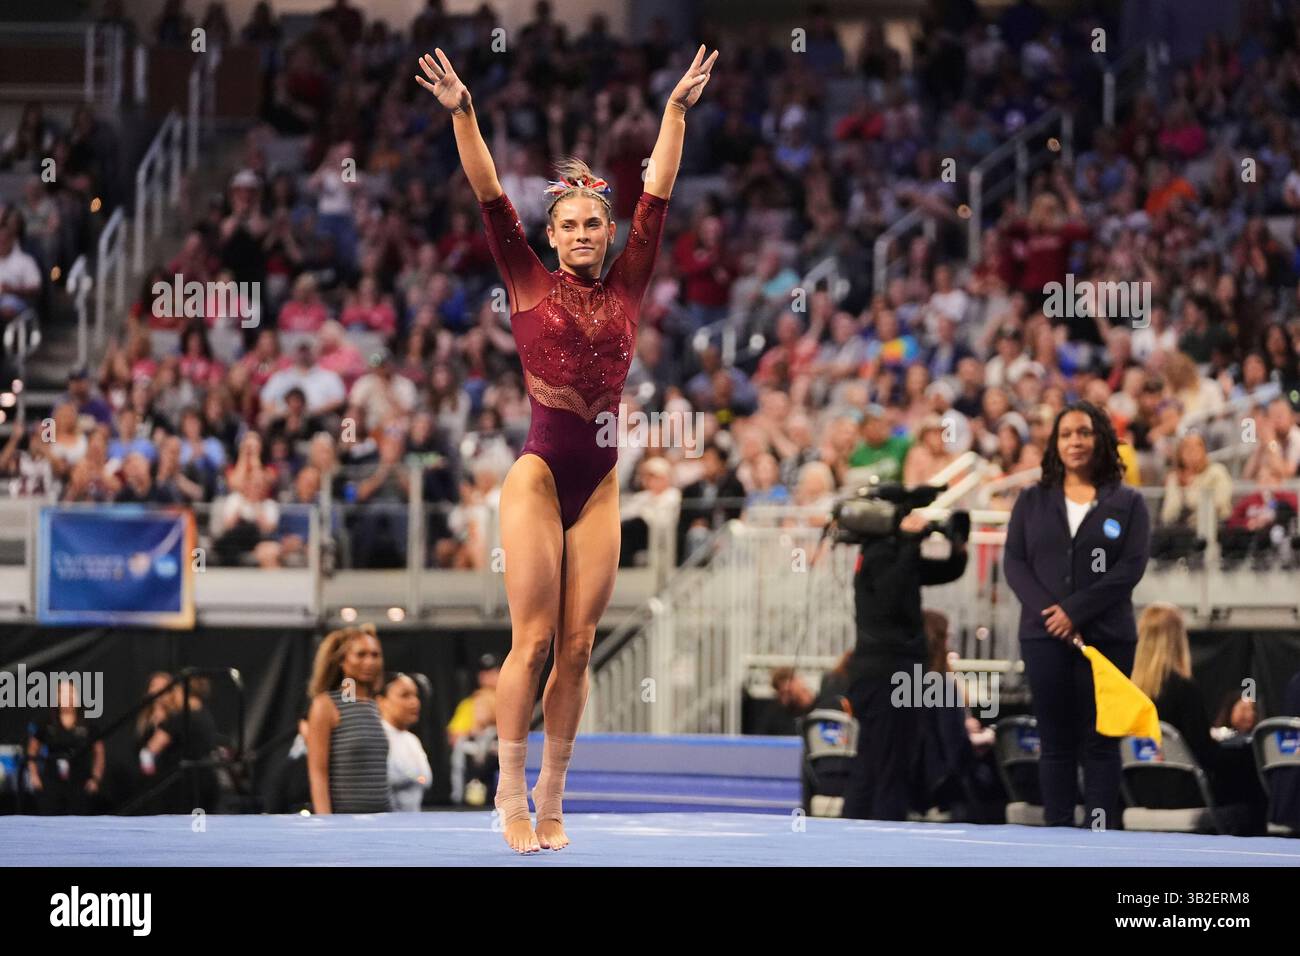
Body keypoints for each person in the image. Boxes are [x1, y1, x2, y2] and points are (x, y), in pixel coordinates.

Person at [416, 43, 717, 852]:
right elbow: (487, 193)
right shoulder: (525, 279)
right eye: (570, 225)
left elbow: (658, 193)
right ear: (550, 236)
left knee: (580, 648)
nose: (584, 234)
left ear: (607, 233)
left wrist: (675, 113)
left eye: (595, 225)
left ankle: (553, 796)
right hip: (541, 477)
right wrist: (464, 114)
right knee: (535, 640)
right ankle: (508, 792)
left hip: (603, 482)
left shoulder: (629, 283)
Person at [1003, 400, 1151, 829]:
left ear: (1100, 438)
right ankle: (1058, 838)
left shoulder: (1129, 503)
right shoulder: (1031, 500)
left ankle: (1100, 841)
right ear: (1055, 443)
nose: (1075, 442)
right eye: (1066, 434)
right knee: (1054, 743)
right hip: (1043, 638)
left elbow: (1129, 569)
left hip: (1108, 638)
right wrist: (1052, 615)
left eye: (1084, 432)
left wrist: (1074, 612)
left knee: (1103, 743)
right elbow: (1014, 563)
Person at [842, 496, 968, 821]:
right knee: (890, 767)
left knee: (876, 763)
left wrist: (958, 546)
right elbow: (890, 597)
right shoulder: (879, 554)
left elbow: (941, 572)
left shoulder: (893, 555)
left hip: (899, 672)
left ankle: (853, 836)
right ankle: (884, 840)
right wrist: (911, 542)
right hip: (888, 673)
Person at [305, 623, 390, 814]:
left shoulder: (375, 705)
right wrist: (326, 823)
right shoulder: (325, 705)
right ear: (342, 661)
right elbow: (318, 773)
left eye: (375, 655)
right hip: (345, 823)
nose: (370, 661)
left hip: (383, 820)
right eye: (361, 654)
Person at [377, 673, 432, 813]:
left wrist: (414, 777)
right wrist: (416, 777)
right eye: (405, 695)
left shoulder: (412, 740)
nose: (414, 702)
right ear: (381, 701)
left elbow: (425, 779)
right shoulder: (376, 737)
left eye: (415, 695)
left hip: (413, 823)